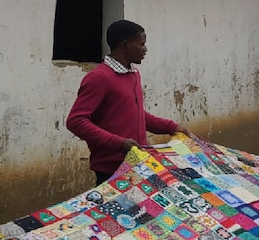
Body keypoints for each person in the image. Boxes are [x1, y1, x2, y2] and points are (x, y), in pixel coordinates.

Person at [66, 20, 188, 185]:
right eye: (141, 44)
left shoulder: (133, 74)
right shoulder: (99, 78)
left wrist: (171, 127)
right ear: (125, 45)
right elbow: (76, 121)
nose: (145, 49)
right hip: (112, 170)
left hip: (139, 162)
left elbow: (134, 114)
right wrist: (119, 143)